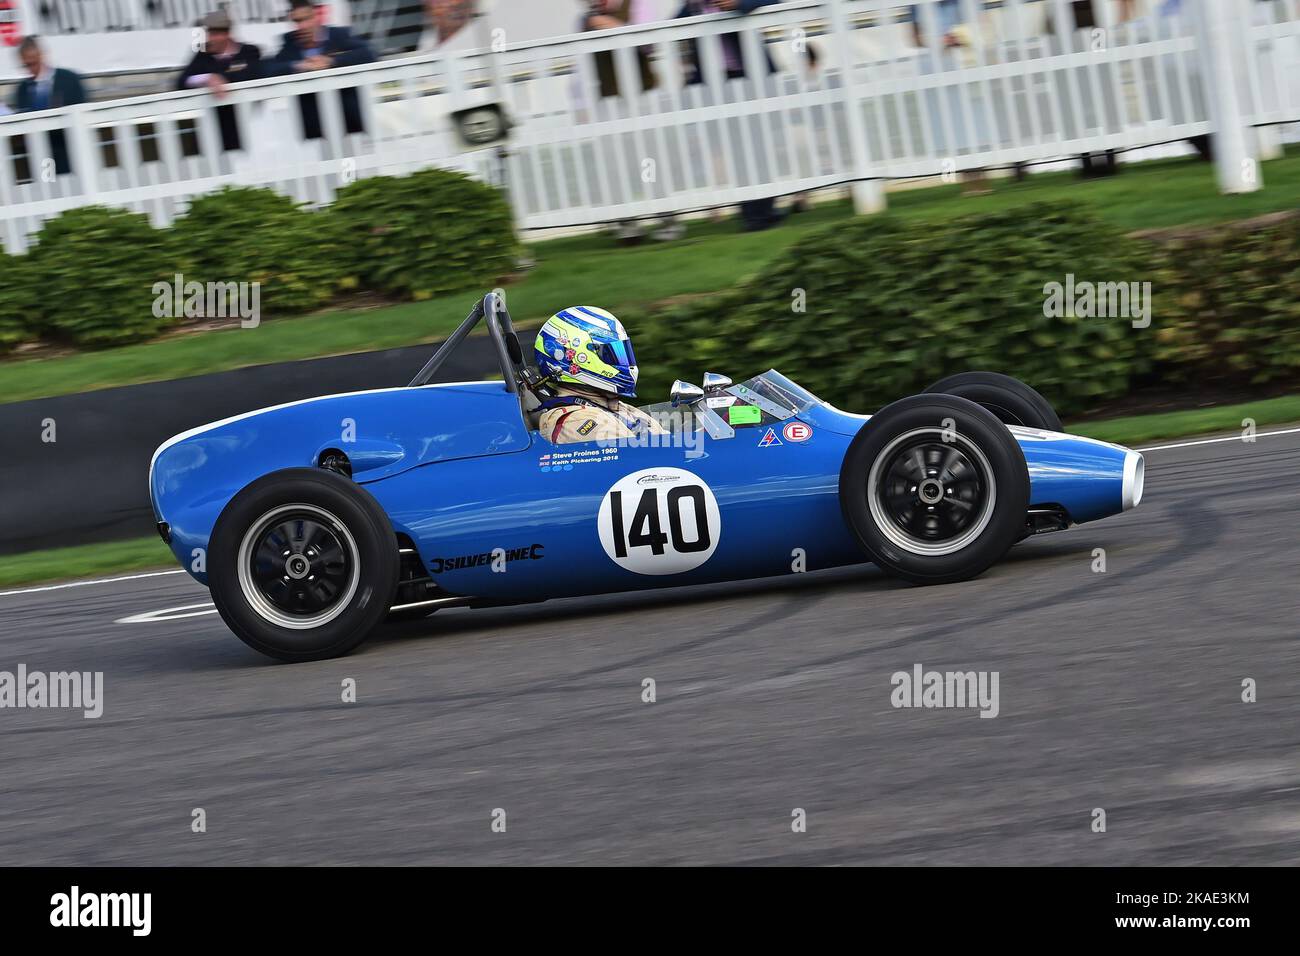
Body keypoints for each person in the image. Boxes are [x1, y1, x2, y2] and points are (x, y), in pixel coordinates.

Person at [675, 0, 783, 231]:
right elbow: (673, 26)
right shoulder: (692, 5)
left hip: (750, 77)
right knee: (737, 150)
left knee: (760, 145)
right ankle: (754, 214)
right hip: (717, 85)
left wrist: (739, 3)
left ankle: (764, 210)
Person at [532, 307, 667, 444]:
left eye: (621, 353)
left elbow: (670, 445)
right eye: (610, 354)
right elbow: (640, 458)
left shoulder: (614, 407)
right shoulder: (578, 421)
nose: (624, 363)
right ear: (578, 358)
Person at [265, 0, 375, 139]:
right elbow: (270, 69)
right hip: (313, 123)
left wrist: (331, 61)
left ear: (316, 17)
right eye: (297, 21)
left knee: (354, 160)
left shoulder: (339, 34)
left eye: (306, 19)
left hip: (348, 117)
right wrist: (300, 66)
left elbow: (368, 53)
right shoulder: (290, 42)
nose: (302, 26)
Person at [177, 12, 262, 152]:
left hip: (250, 126)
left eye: (214, 34)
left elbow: (253, 74)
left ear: (227, 34)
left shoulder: (249, 51)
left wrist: (221, 78)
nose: (209, 39)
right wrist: (207, 78)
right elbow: (181, 81)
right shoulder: (202, 54)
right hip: (214, 130)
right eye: (208, 33)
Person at [10, 35, 85, 175]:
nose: (30, 69)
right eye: (26, 65)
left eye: (33, 63)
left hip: (70, 152)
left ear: (42, 56)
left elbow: (83, 110)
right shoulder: (22, 89)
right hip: (41, 158)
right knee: (49, 190)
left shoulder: (69, 79)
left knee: (74, 190)